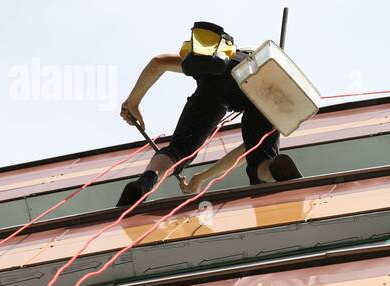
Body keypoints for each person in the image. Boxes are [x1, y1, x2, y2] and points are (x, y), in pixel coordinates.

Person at [117, 21, 299, 206]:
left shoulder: (215, 61)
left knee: (179, 149)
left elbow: (158, 62)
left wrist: (133, 102)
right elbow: (248, 150)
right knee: (259, 157)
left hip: (211, 87)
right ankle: (271, 170)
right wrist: (203, 177)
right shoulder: (262, 76)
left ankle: (146, 180)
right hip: (263, 92)